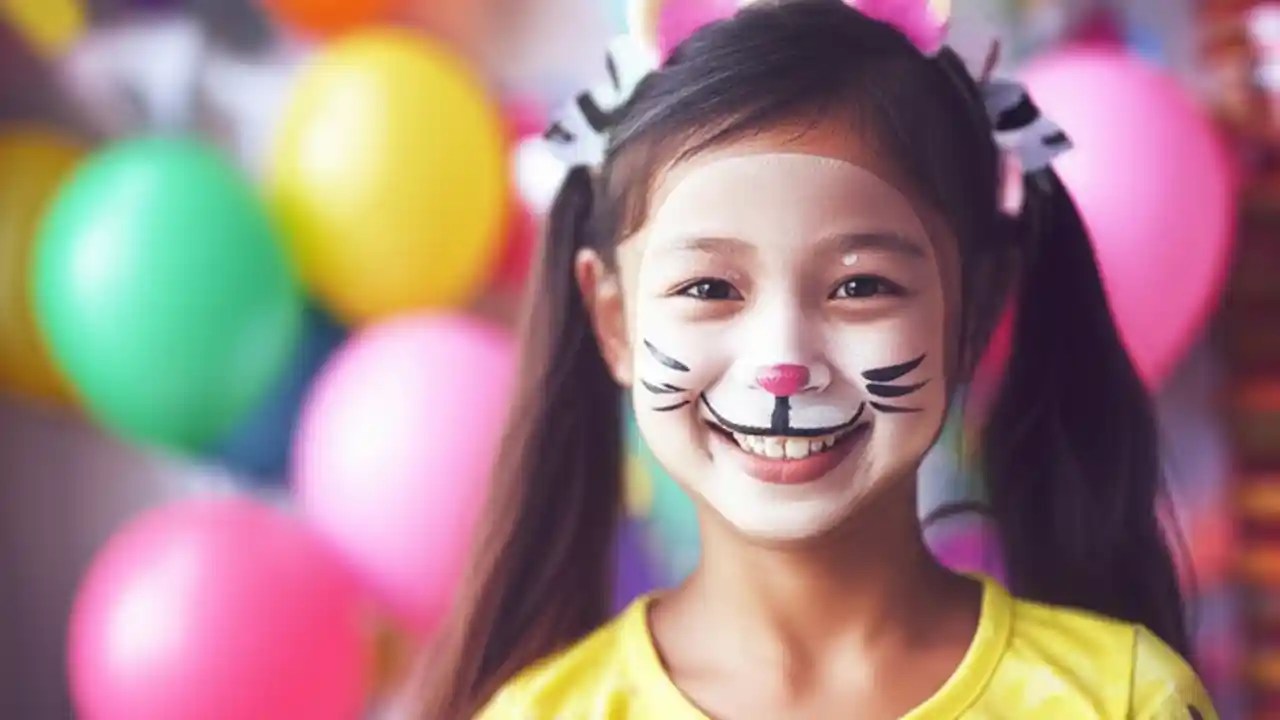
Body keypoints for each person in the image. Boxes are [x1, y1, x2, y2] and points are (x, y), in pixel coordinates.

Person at [414, 1, 1218, 717]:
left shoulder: (1122, 701)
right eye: (708, 287)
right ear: (615, 317)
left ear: (971, 306)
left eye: (860, 285)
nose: (783, 363)